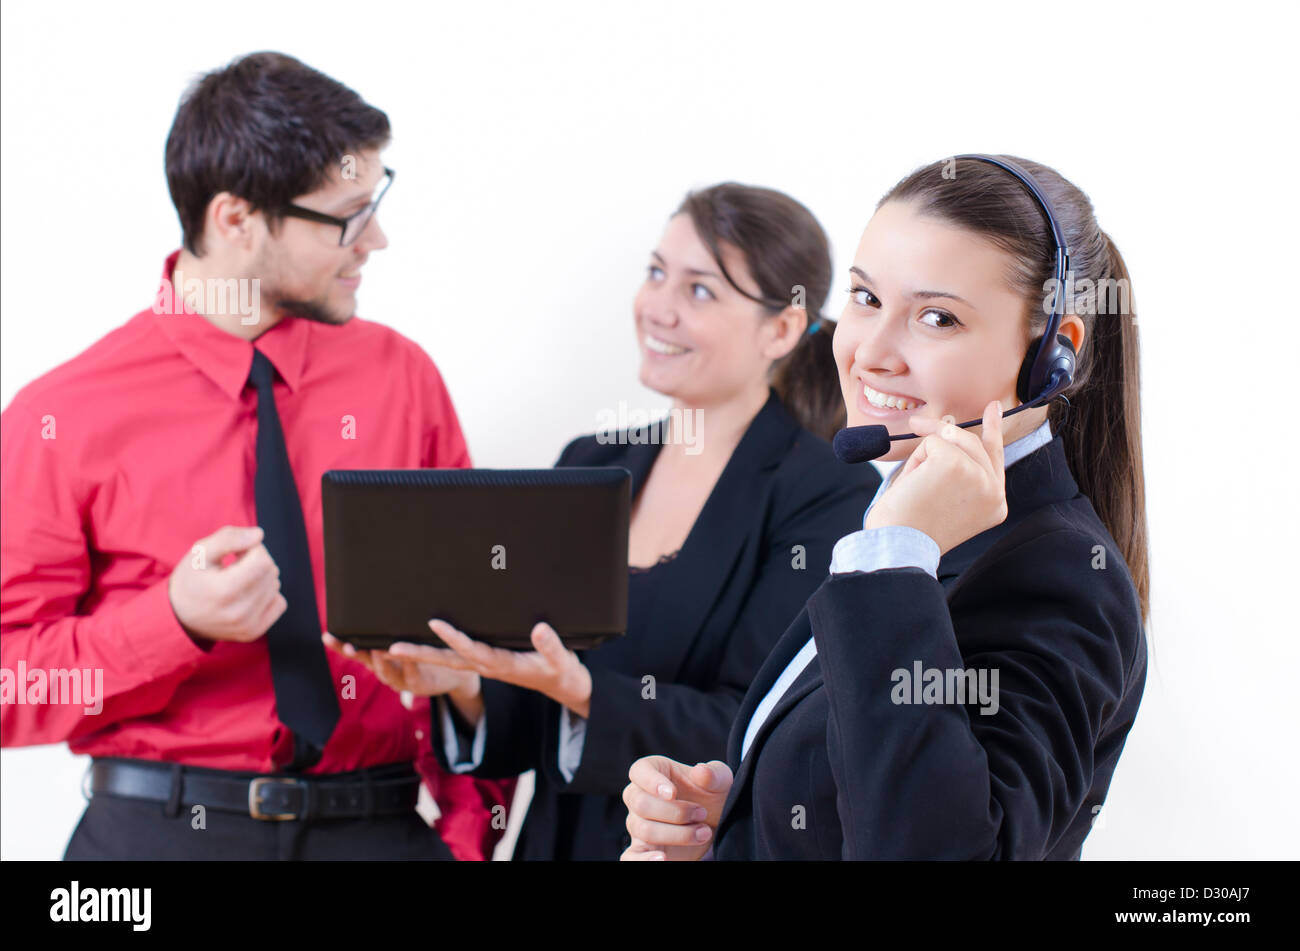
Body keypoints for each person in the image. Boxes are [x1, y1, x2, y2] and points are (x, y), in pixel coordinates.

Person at [0, 51, 510, 861]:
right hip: (154, 840)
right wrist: (170, 622)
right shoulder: (62, 413)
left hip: (377, 828)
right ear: (236, 220)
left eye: (374, 203)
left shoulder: (400, 378)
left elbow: (479, 628)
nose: (375, 238)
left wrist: (464, 839)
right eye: (344, 217)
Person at [620, 154, 1150, 860]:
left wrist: (898, 556)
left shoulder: (1060, 574)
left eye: (935, 317)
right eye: (866, 299)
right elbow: (879, 790)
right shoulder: (902, 523)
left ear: (1052, 353)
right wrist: (751, 821)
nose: (870, 352)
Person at [338, 183, 882, 859]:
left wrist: (584, 688)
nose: (659, 307)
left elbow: (758, 725)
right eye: (657, 272)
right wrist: (467, 684)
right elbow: (542, 705)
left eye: (701, 290)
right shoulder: (590, 462)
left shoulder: (825, 490)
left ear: (781, 329)